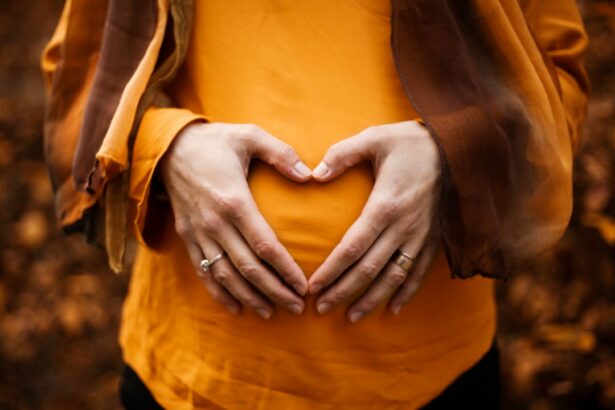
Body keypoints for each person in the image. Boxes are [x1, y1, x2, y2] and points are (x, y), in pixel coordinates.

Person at [41, 0, 588, 408]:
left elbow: (557, 84)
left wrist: (452, 153)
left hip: (430, 379)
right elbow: (80, 77)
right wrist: (164, 149)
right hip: (194, 377)